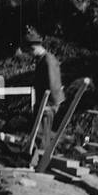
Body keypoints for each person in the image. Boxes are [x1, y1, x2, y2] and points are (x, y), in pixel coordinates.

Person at [25, 28, 64, 156]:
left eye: (30, 51)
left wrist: (50, 105)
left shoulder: (48, 61)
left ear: (33, 48)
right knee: (40, 133)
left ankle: (43, 159)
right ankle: (40, 157)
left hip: (47, 104)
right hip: (42, 103)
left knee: (43, 135)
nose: (30, 55)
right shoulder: (42, 60)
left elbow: (53, 84)